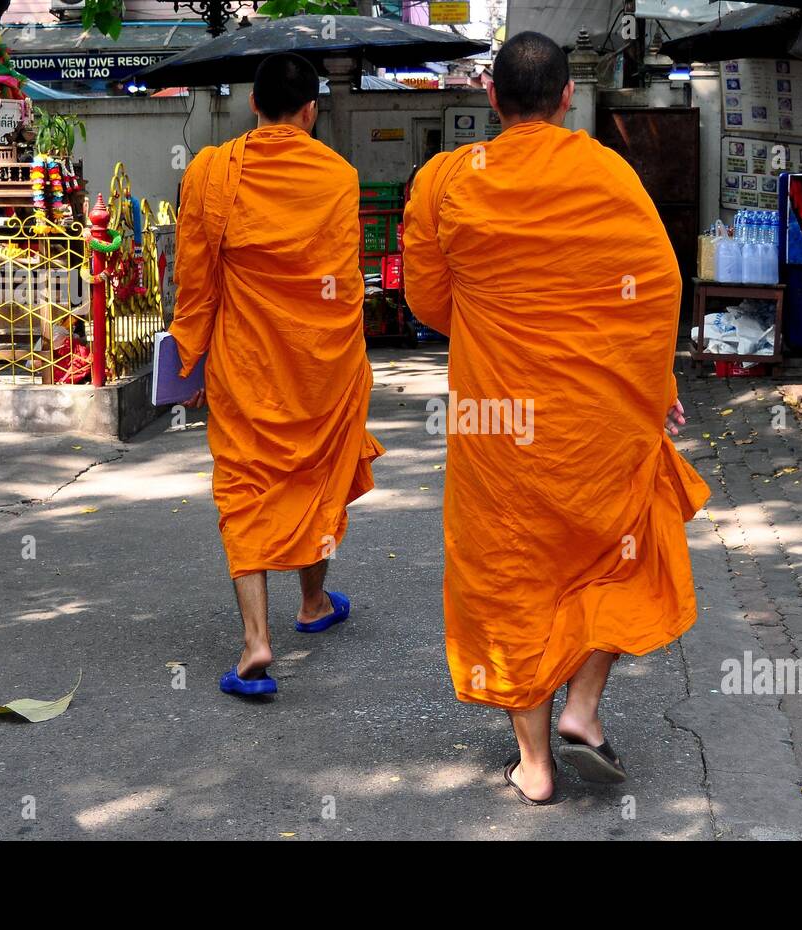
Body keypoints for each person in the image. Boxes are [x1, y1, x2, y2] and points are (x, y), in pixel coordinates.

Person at [402, 31, 710, 804]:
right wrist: (654, 378)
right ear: (568, 98)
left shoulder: (447, 180)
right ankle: (583, 706)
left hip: (496, 418)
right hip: (593, 419)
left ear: (491, 98)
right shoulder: (607, 171)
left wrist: (488, 312)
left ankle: (534, 766)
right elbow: (658, 284)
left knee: (508, 572)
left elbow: (426, 298)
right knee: (624, 546)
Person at [170, 53, 384, 698]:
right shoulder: (338, 176)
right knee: (314, 471)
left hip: (248, 363)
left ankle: (257, 642)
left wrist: (189, 351)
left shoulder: (212, 170)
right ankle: (313, 603)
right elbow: (346, 280)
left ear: (253, 105)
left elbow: (194, 275)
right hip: (321, 362)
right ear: (312, 110)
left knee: (247, 486)